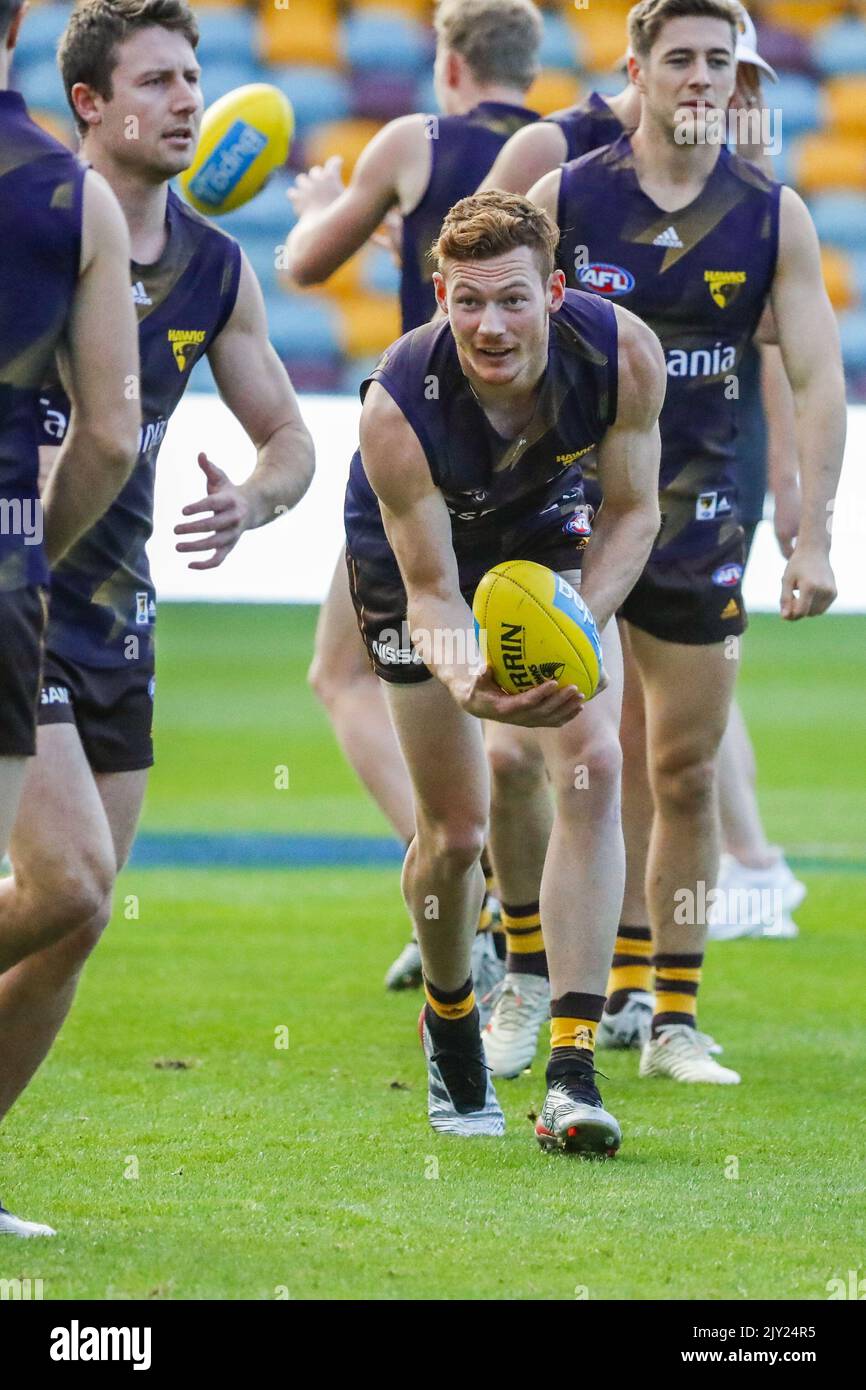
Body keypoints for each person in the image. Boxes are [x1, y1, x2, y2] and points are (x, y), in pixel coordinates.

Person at [0, 0, 314, 1237]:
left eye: (195, 77)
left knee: (74, 929)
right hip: (27, 598)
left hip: (118, 624)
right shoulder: (33, 220)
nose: (191, 99)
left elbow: (288, 436)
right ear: (88, 101)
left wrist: (250, 500)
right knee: (71, 885)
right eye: (160, 80)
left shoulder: (214, 263)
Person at [477, 3, 804, 1089]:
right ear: (636, 72)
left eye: (720, 59)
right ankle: (526, 970)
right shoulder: (566, 195)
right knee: (548, 760)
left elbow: (812, 376)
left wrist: (812, 524)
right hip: (566, 514)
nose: (701, 77)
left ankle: (668, 1017)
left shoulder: (770, 214)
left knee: (684, 769)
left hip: (703, 516)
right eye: (680, 59)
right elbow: (493, 328)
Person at [345, 190, 665, 1152]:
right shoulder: (396, 408)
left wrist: (577, 621)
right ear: (439, 294)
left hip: (541, 536)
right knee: (453, 828)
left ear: (555, 292)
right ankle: (452, 1024)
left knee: (595, 764)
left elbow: (633, 514)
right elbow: (434, 593)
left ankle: (571, 1067)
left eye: (514, 301)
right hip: (415, 558)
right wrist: (468, 683)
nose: (491, 325)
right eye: (469, 301)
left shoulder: (621, 356)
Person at [285, 0, 544, 994]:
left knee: (344, 674)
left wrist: (319, 210)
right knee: (521, 710)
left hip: (414, 451)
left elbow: (306, 265)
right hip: (530, 458)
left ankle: (456, 876)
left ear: (446, 62)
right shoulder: (552, 152)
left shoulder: (413, 139)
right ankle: (518, 915)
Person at [0, 0, 141, 1237]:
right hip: (4, 571)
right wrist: (22, 556)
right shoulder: (68, 196)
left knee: (76, 888)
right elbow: (110, 428)